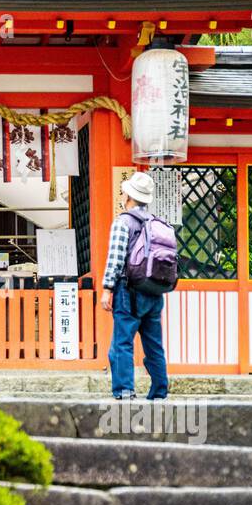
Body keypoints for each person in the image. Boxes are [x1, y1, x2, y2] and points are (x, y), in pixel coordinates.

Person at [100, 171, 169, 401]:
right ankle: (160, 391)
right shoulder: (157, 223)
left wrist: (107, 289)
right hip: (154, 291)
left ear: (128, 195)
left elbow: (116, 258)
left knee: (122, 342)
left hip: (128, 292)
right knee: (154, 345)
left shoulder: (123, 222)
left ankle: (125, 390)